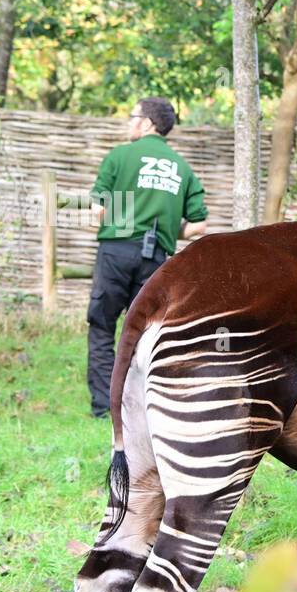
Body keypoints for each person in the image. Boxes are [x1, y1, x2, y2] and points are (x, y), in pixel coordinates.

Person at [86, 97, 209, 418]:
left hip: (116, 251)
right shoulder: (182, 169)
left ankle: (103, 408)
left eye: (133, 116)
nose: (129, 121)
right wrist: (167, 228)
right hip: (156, 260)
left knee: (102, 326)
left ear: (148, 123)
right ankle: (138, 409)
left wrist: (114, 215)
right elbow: (199, 224)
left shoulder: (121, 156)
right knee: (143, 334)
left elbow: (97, 211)